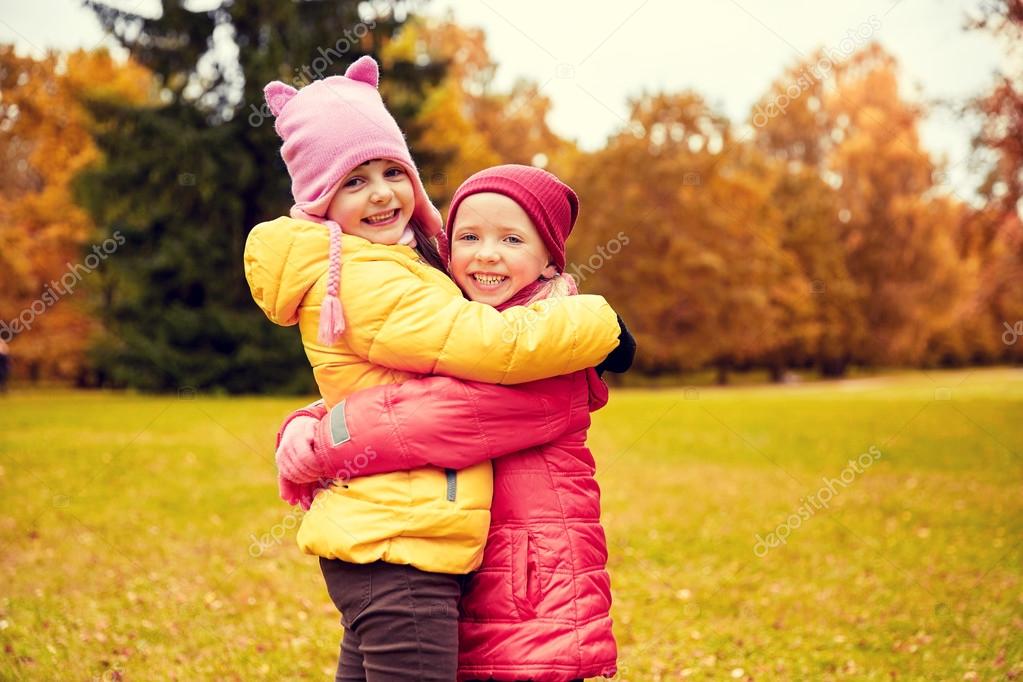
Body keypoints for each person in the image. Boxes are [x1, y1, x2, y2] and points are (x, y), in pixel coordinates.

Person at [244, 57, 624, 681]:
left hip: (490, 566)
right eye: (354, 180)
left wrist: (319, 433)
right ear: (318, 197)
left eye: (393, 171)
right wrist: (601, 325)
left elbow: (424, 402)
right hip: (403, 543)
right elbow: (454, 390)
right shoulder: (378, 278)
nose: (381, 192)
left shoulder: (530, 343)